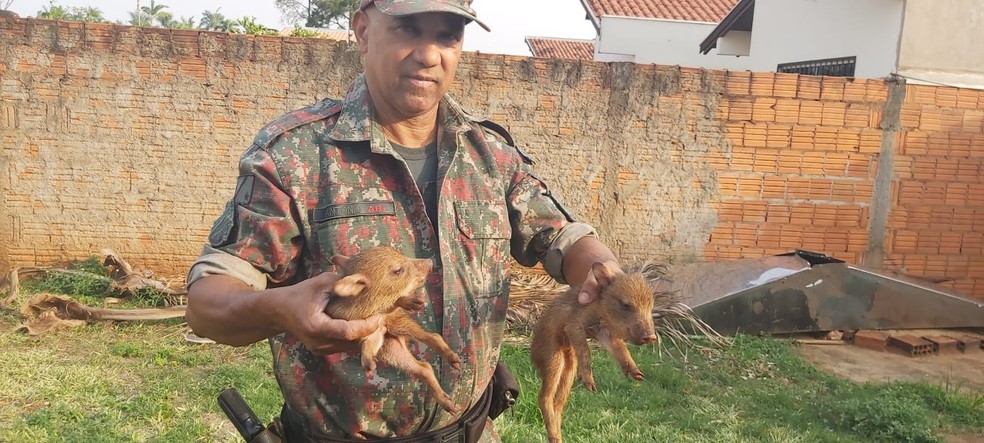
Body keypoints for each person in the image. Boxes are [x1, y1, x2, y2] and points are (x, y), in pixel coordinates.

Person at [185, 1, 622, 441]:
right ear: (362, 30)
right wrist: (281, 310)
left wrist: (602, 269)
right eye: (408, 29)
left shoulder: (489, 154)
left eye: (448, 35)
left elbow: (562, 238)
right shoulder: (295, 155)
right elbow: (208, 304)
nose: (429, 55)